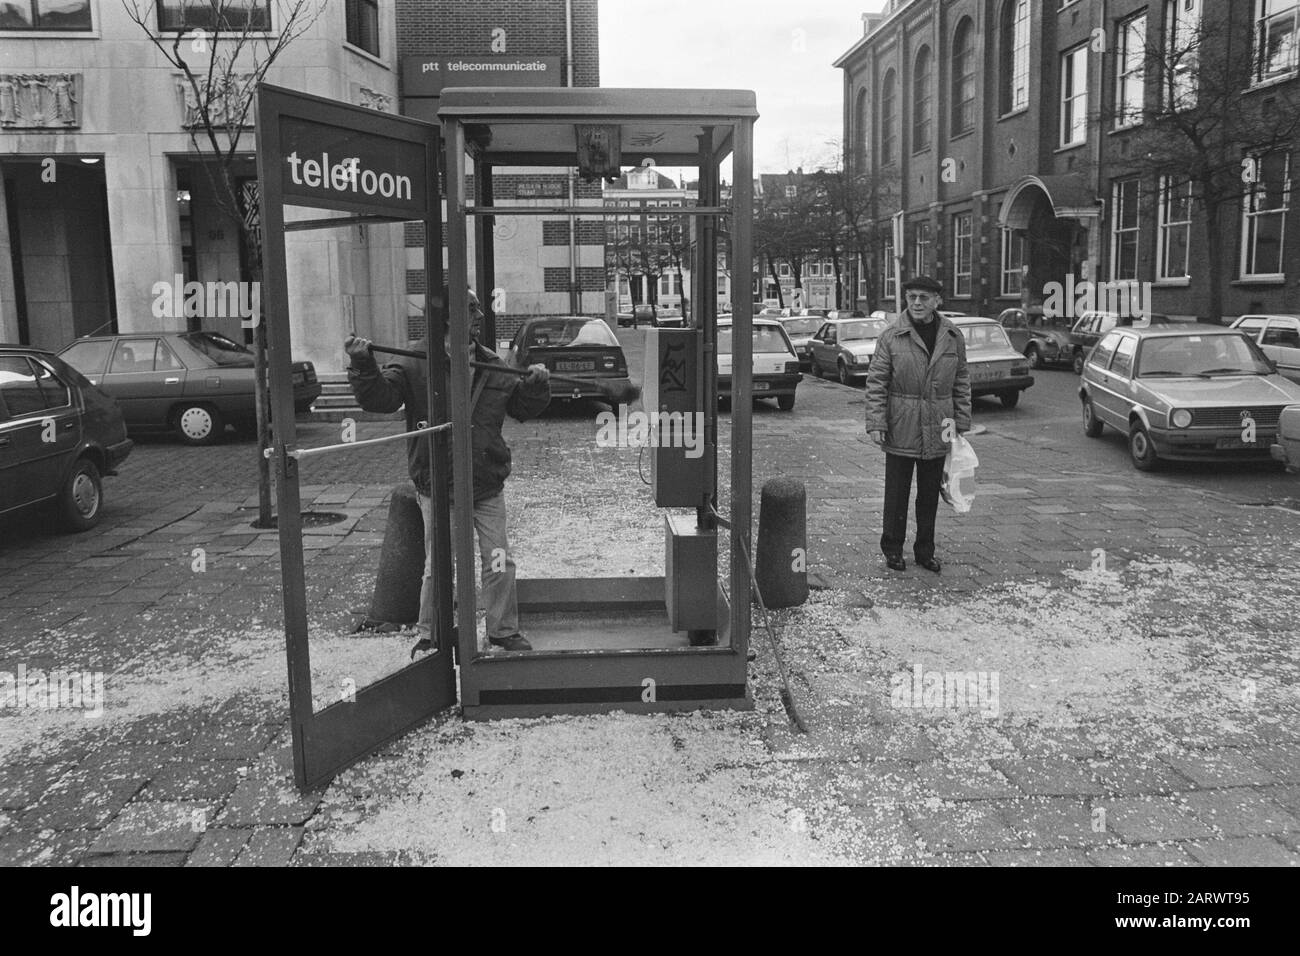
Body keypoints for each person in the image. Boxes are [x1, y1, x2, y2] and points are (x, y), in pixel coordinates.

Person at [344, 290, 550, 651]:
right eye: (471, 309)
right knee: (437, 565)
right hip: (439, 483)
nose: (481, 315)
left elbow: (521, 406)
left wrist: (537, 385)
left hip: (485, 482)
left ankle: (503, 630)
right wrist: (363, 365)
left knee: (500, 560)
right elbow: (380, 400)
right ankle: (432, 634)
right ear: (449, 316)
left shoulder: (491, 363)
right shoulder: (415, 362)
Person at [863, 275, 971, 573]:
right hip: (902, 424)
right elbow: (876, 382)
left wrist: (961, 420)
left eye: (924, 297)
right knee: (896, 494)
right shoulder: (891, 336)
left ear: (938, 301)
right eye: (912, 297)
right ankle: (893, 549)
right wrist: (876, 421)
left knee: (929, 495)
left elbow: (961, 379)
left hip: (939, 425)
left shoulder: (952, 335)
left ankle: (925, 551)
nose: (917, 303)